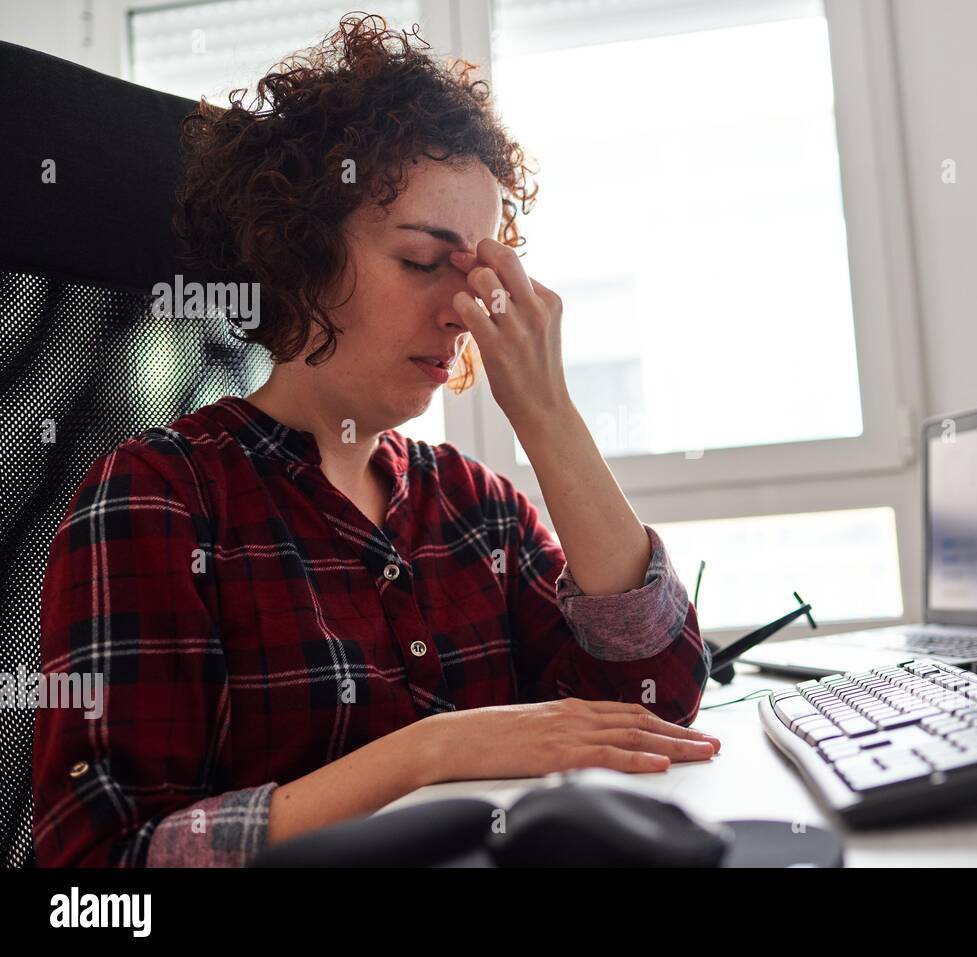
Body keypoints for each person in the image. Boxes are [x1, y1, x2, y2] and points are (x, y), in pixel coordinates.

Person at [32, 14, 716, 867]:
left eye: (479, 274)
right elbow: (101, 871)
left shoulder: (477, 509)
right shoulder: (156, 500)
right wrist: (430, 751)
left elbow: (656, 697)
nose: (463, 312)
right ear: (300, 259)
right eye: (425, 262)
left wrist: (551, 419)